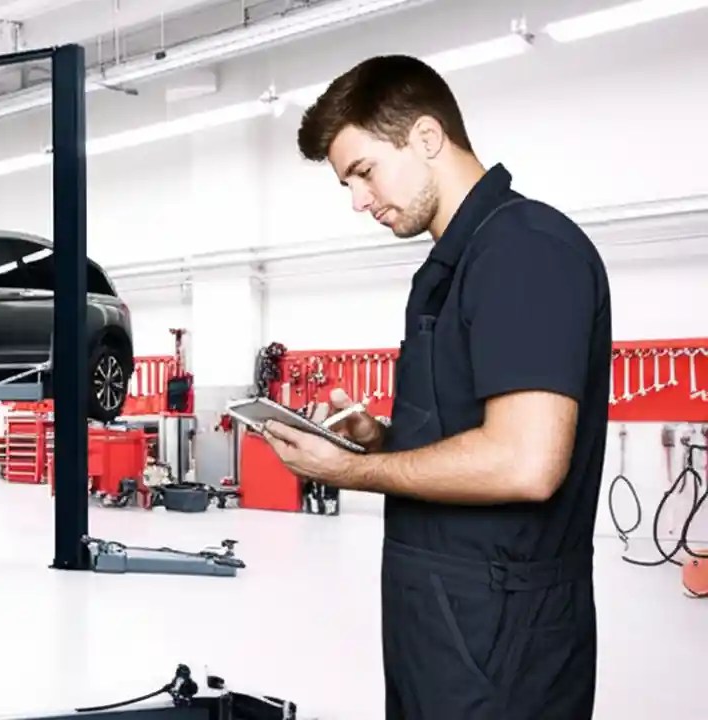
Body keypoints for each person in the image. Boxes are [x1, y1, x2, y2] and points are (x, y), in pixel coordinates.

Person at [263, 55, 612, 719]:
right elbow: (470, 441)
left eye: (364, 172)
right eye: (347, 184)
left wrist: (349, 473)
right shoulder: (454, 266)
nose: (359, 200)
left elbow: (526, 463)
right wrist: (380, 441)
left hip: (504, 639)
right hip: (444, 622)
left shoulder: (526, 250)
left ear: (426, 136)